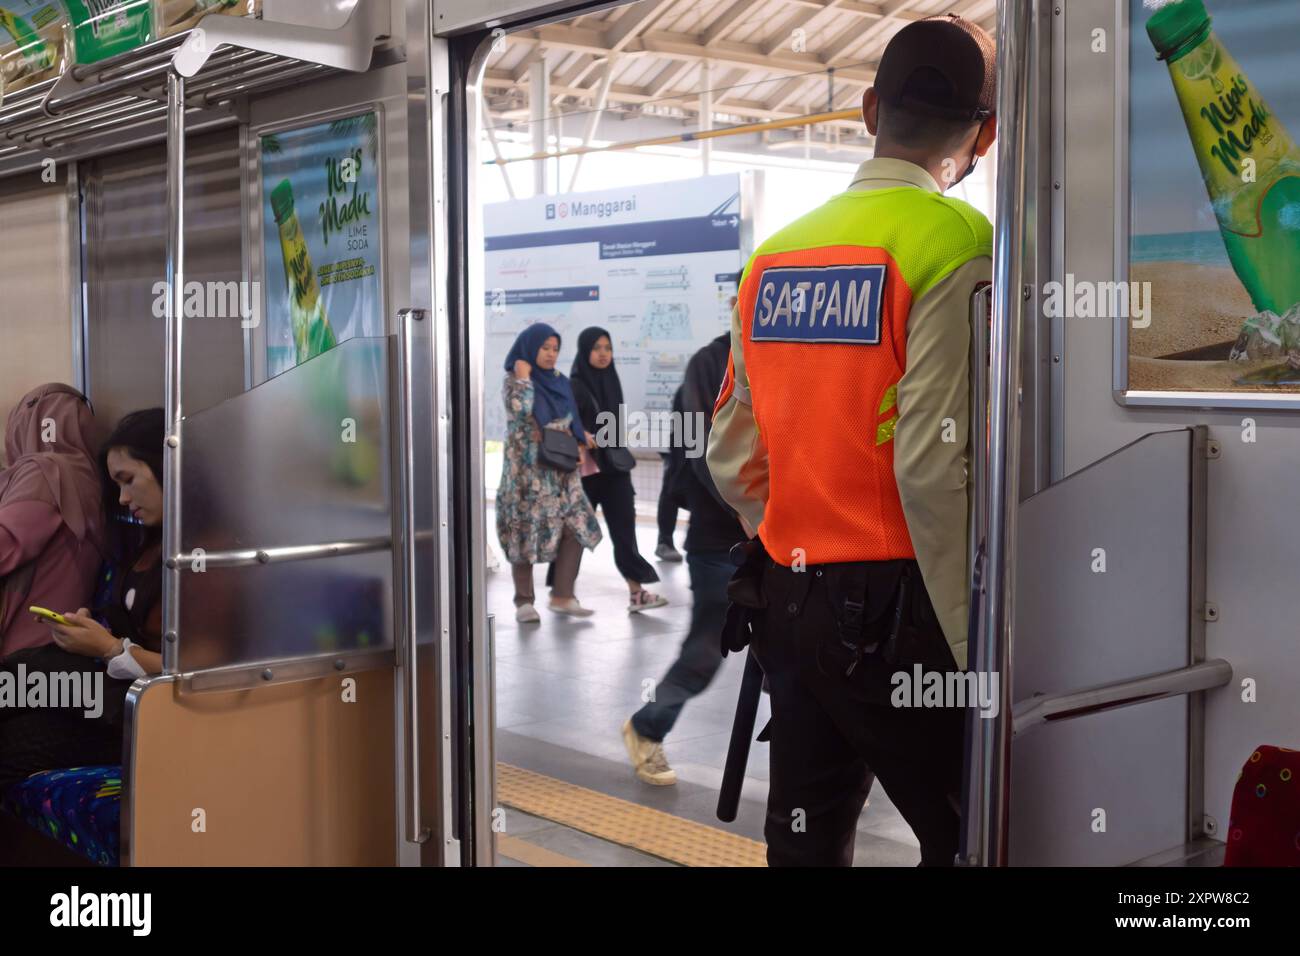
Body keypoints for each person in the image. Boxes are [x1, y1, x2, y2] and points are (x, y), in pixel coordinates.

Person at [706, 13, 997, 867]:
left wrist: (800, 531)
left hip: (786, 605)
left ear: (870, 109)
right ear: (984, 135)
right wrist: (971, 644)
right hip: (901, 611)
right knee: (967, 835)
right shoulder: (959, 245)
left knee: (805, 838)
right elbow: (933, 465)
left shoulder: (777, 256)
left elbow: (730, 450)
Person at [0, 408, 166, 788]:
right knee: (19, 673)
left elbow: (200, 670)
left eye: (129, 481)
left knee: (16, 732)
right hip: (112, 695)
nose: (123, 499)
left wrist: (110, 648)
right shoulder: (150, 545)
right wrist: (92, 629)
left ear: (168, 465)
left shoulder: (208, 555)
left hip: (147, 711)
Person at [623, 330, 746, 784]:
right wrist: (745, 511)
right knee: (706, 647)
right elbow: (700, 451)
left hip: (780, 540)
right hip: (719, 541)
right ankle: (646, 726)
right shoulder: (708, 364)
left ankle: (821, 772)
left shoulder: (779, 355)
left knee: (793, 661)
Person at [496, 323, 602, 623]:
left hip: (561, 470)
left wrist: (581, 435)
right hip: (528, 473)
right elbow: (519, 411)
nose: (551, 354)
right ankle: (524, 602)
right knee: (524, 531)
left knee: (580, 524)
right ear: (529, 349)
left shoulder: (560, 381)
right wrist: (524, 378)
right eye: (545, 348)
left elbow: (569, 417)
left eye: (555, 349)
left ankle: (562, 595)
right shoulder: (514, 382)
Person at [557, 327, 667, 614]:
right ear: (585, 352)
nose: (604, 353)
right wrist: (581, 433)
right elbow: (562, 422)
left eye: (607, 347)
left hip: (615, 470)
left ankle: (637, 592)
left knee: (624, 531)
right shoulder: (575, 386)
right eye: (597, 348)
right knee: (576, 532)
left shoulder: (611, 381)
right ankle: (562, 593)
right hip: (586, 473)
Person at [0, 384, 106, 659]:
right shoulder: (91, 476)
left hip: (26, 650)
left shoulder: (43, 469)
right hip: (65, 644)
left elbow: (6, 544)